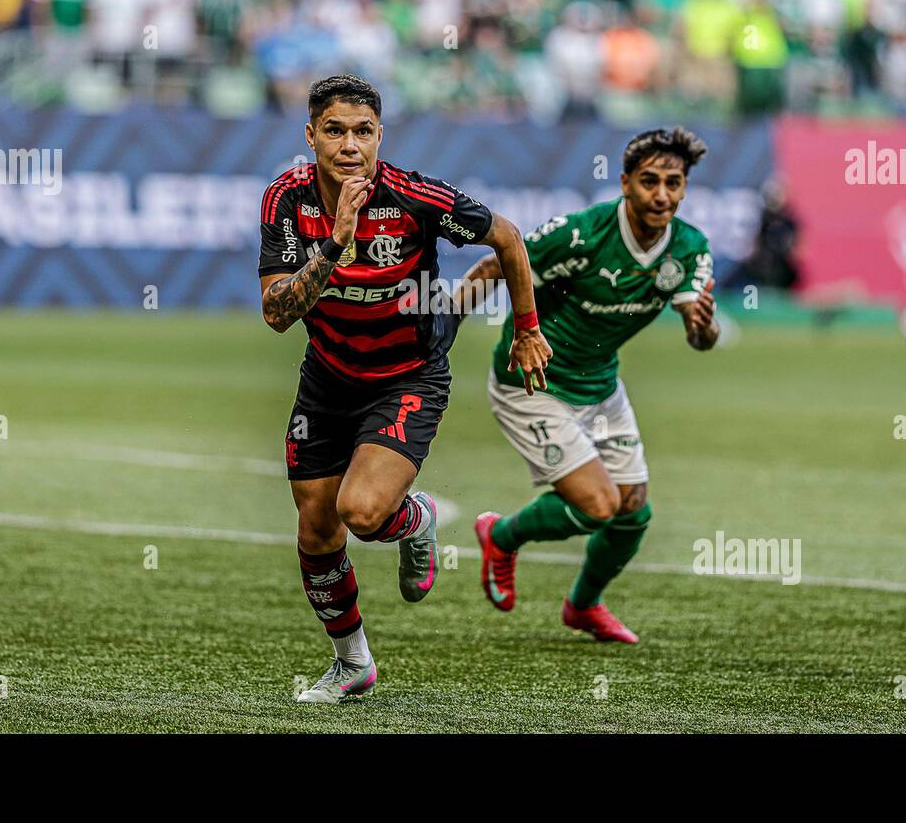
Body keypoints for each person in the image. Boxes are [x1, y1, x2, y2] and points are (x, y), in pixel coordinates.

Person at [258, 74, 551, 701]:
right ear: (310, 136)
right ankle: (353, 663)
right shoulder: (286, 200)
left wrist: (527, 330)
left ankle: (413, 520)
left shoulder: (414, 197)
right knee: (315, 527)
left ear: (380, 136)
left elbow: (508, 238)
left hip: (407, 375)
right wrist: (336, 244)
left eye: (363, 131)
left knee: (361, 512)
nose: (349, 145)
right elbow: (277, 313)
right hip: (328, 377)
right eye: (333, 131)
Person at [452, 127, 718, 642]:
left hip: (601, 387)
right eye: (649, 182)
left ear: (685, 188)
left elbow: (702, 338)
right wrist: (440, 331)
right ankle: (501, 536)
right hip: (532, 384)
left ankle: (583, 606)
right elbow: (496, 264)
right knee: (599, 506)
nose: (661, 195)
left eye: (673, 183)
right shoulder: (579, 234)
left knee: (632, 512)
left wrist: (702, 326)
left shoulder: (689, 248)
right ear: (624, 183)